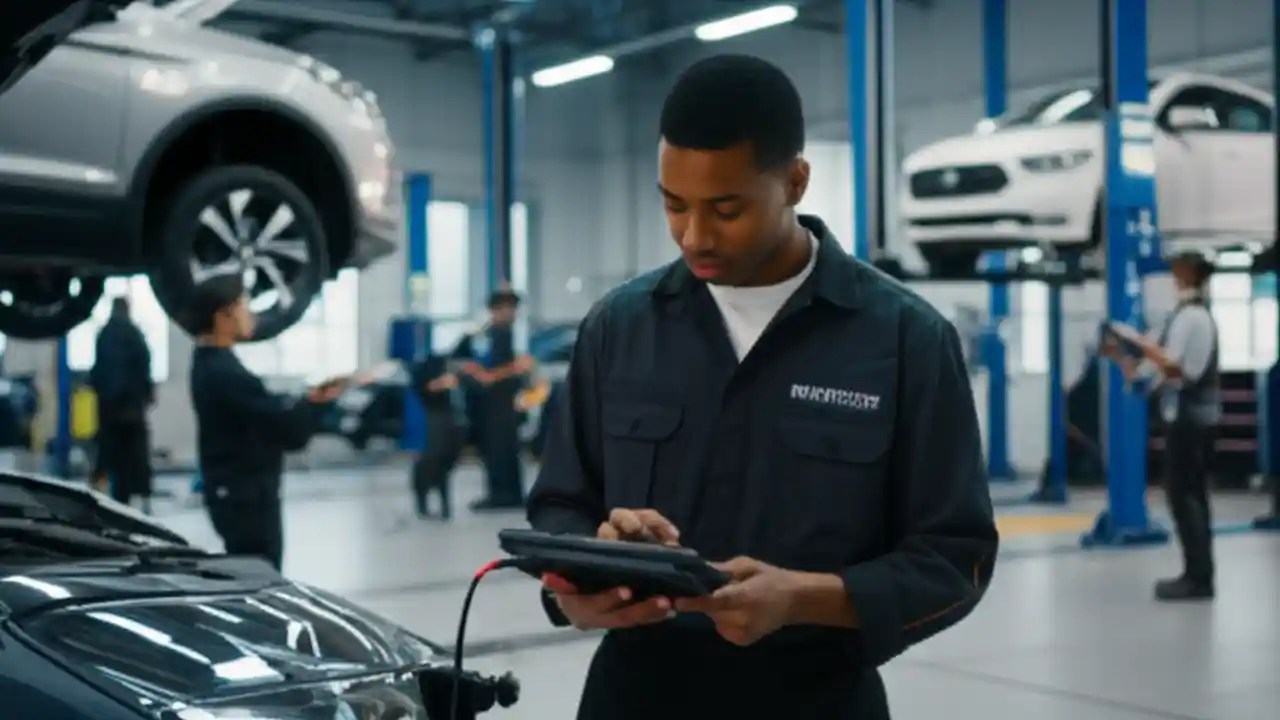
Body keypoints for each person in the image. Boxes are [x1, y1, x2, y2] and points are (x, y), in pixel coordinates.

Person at [525, 54, 998, 720]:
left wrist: (802, 596)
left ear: (795, 181)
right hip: (635, 696)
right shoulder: (620, 326)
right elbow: (559, 506)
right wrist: (582, 579)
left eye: (726, 209)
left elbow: (955, 559)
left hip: (815, 699)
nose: (695, 235)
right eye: (673, 205)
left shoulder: (903, 340)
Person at [186, 275, 345, 570]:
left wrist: (304, 400)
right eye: (245, 306)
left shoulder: (210, 363)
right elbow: (283, 427)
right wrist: (315, 405)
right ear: (224, 316)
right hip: (245, 498)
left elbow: (261, 408)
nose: (252, 315)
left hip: (236, 492)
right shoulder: (224, 373)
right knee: (260, 575)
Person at [1102, 250, 1219, 601]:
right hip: (1186, 419)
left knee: (1186, 497)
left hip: (1191, 421)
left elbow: (1175, 368)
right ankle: (1196, 572)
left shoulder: (1193, 318)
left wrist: (1135, 341)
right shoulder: (1182, 316)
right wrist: (1123, 357)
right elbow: (1148, 374)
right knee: (1187, 496)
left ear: (1187, 273)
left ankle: (1198, 578)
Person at [455, 287, 535, 511]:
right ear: (495, 310)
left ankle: (509, 494)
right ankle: (501, 494)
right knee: (495, 449)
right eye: (508, 309)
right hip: (491, 404)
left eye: (514, 309)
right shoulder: (490, 335)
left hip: (504, 403)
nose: (512, 314)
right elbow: (488, 372)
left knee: (506, 449)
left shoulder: (499, 334)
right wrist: (515, 368)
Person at [88, 297, 155, 511]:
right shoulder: (135, 334)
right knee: (135, 456)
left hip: (108, 409)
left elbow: (98, 369)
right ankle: (140, 501)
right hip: (132, 410)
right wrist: (146, 395)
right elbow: (145, 364)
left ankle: (97, 497)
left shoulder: (104, 334)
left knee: (107, 453)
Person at [409, 352, 467, 519]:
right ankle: (426, 498)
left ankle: (442, 502)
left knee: (445, 460)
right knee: (432, 458)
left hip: (450, 419)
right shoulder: (426, 376)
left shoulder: (452, 376)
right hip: (435, 418)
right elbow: (425, 388)